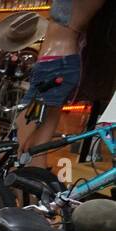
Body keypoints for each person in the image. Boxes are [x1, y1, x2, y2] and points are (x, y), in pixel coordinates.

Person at [12, 0, 109, 166]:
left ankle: (26, 187)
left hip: (56, 63)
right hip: (58, 62)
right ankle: (33, 185)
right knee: (34, 141)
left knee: (25, 142)